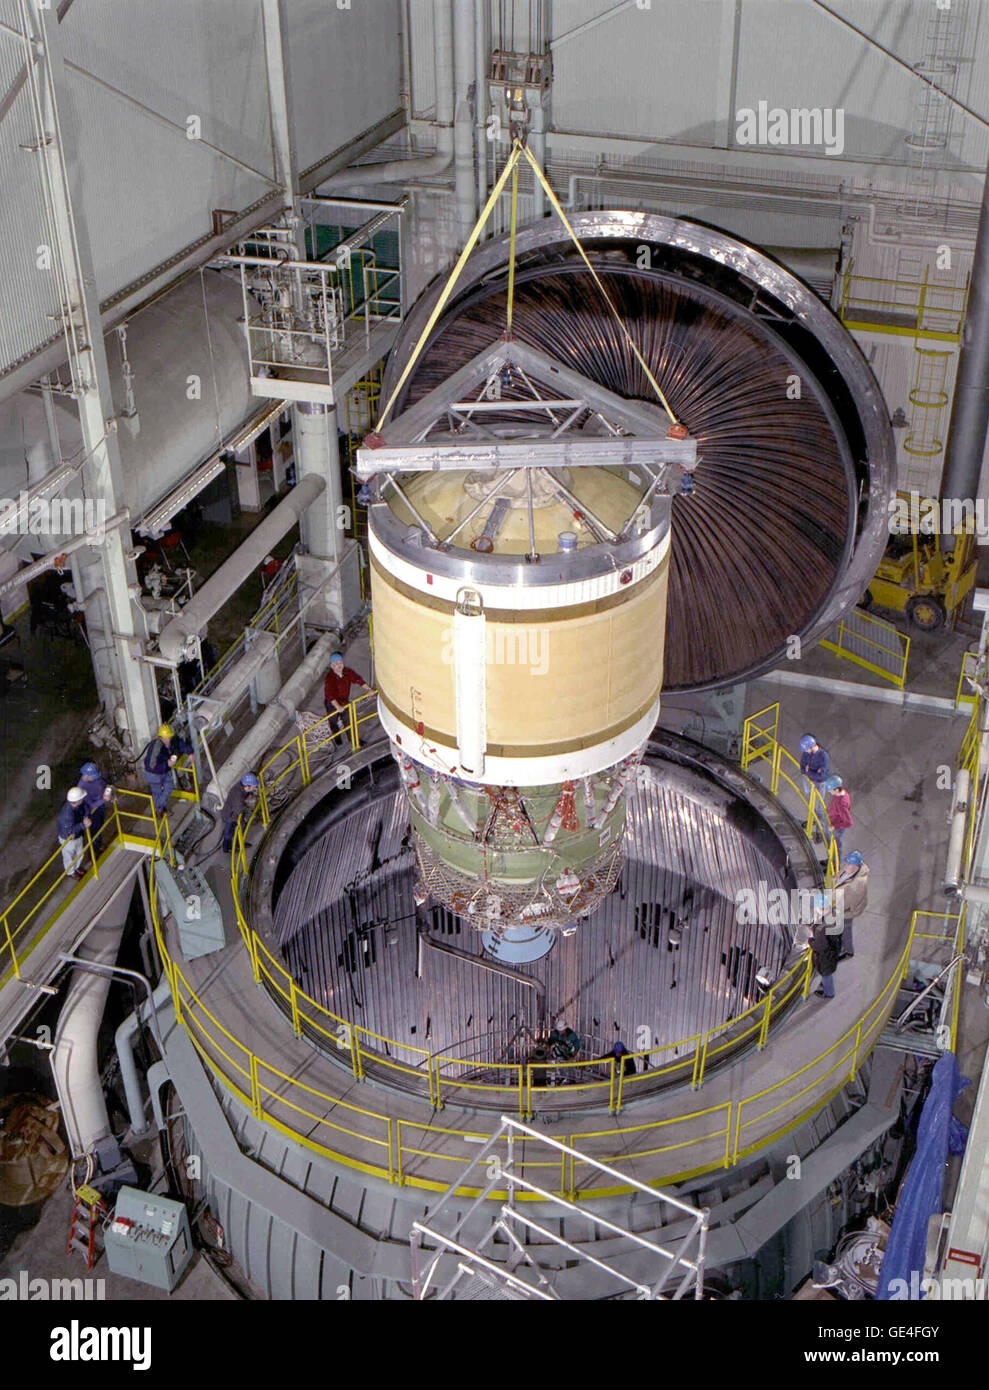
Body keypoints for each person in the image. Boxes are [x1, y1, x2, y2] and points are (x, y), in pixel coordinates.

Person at [143, 723, 192, 814]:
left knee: (169, 786)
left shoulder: (170, 741)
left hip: (163, 771)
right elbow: (152, 765)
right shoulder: (156, 747)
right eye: (168, 738)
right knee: (157, 792)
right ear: (162, 738)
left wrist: (190, 752)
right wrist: (167, 764)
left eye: (170, 737)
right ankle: (159, 810)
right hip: (153, 774)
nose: (170, 739)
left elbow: (179, 743)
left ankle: (159, 807)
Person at [323, 652, 369, 747]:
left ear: (343, 663)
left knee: (349, 721)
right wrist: (337, 706)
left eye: (340, 663)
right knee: (333, 721)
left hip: (344, 701)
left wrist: (369, 689)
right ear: (332, 666)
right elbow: (329, 695)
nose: (338, 665)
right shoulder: (330, 678)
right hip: (332, 704)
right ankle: (337, 737)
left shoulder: (348, 672)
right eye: (335, 664)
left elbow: (357, 679)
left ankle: (354, 741)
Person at [833, 850, 869, 961]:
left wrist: (833, 907)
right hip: (842, 906)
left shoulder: (857, 885)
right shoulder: (850, 871)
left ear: (856, 867)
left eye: (849, 865)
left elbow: (847, 903)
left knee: (845, 930)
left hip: (847, 912)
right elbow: (840, 876)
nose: (846, 866)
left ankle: (848, 951)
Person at [808, 890, 841, 1000]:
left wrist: (810, 941)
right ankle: (825, 985)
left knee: (826, 975)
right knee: (828, 973)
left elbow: (819, 946)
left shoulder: (821, 929)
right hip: (834, 950)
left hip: (825, 958)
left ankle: (829, 993)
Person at [57, 787, 91, 879]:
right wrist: (83, 825)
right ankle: (71, 872)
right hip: (68, 839)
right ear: (77, 800)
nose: (83, 799)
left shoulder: (78, 805)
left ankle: (76, 867)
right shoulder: (67, 814)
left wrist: (86, 816)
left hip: (77, 835)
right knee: (69, 857)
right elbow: (69, 831)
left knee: (80, 853)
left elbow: (86, 808)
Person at [221, 772, 260, 853]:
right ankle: (227, 848)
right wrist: (249, 811)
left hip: (234, 814)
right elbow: (238, 809)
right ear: (248, 786)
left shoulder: (242, 787)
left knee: (242, 827)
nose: (255, 787)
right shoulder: (237, 794)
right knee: (229, 833)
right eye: (254, 786)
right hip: (230, 816)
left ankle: (238, 843)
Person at [78, 761, 114, 846]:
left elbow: (102, 783)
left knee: (100, 825)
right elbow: (90, 805)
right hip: (93, 812)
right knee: (95, 830)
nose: (96, 778)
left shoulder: (96, 779)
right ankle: (96, 848)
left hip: (100, 806)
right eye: (93, 776)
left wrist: (108, 789)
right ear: (86, 776)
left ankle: (99, 844)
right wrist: (103, 800)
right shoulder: (82, 788)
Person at [825, 775, 853, 860]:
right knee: (832, 845)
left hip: (837, 828)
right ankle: (830, 860)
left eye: (830, 790)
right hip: (833, 821)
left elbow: (849, 822)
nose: (830, 792)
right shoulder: (841, 793)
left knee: (835, 845)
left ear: (836, 789)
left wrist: (834, 827)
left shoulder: (842, 803)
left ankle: (834, 864)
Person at [799, 734, 831, 802]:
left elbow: (821, 776)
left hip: (819, 783)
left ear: (811, 747)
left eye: (806, 750)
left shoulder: (824, 757)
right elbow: (802, 767)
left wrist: (808, 772)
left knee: (819, 803)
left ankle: (818, 812)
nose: (805, 752)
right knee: (808, 798)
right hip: (808, 779)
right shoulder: (806, 753)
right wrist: (812, 773)